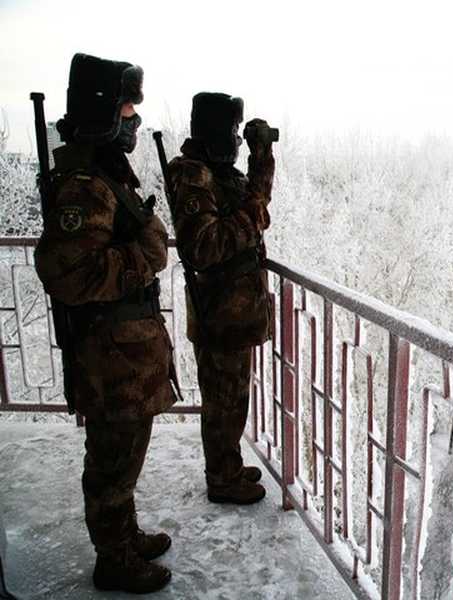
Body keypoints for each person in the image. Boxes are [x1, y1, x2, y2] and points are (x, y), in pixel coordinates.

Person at [33, 53, 176, 594]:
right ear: (103, 111)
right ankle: (113, 561)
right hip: (108, 355)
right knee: (112, 461)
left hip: (125, 353)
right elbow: (70, 273)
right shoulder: (85, 183)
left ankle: (124, 536)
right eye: (127, 106)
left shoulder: (104, 170)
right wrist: (146, 254)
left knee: (125, 453)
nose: (135, 117)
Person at [167, 93, 275, 505]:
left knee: (233, 398)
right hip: (219, 311)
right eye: (231, 130)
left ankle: (226, 464)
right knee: (222, 400)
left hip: (234, 310)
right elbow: (204, 246)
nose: (235, 137)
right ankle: (222, 478)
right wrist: (250, 217)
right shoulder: (194, 176)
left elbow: (255, 204)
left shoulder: (217, 172)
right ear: (213, 131)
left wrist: (261, 158)